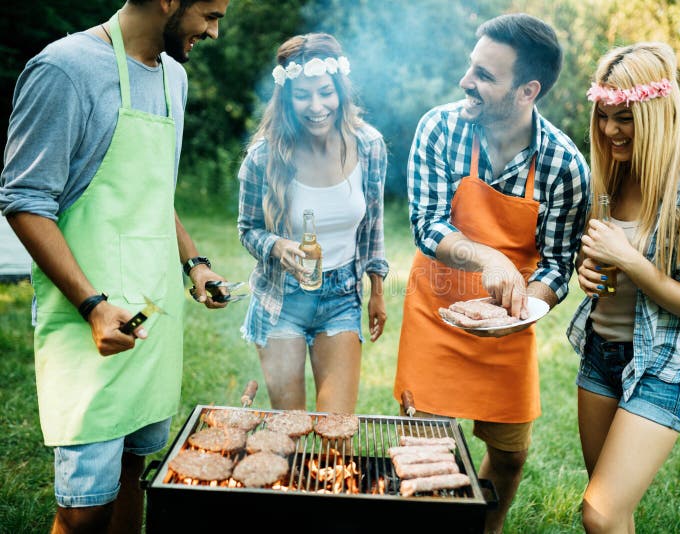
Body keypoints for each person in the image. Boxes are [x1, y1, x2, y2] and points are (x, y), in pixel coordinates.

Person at [0, 1, 231, 532]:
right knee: (83, 512)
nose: (214, 32)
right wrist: (94, 306)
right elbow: (25, 201)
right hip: (91, 327)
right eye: (210, 15)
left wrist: (195, 264)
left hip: (152, 321)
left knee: (134, 475)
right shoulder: (65, 69)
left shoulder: (175, 76)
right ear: (170, 1)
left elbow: (153, 192)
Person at [394, 13, 590, 533]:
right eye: (470, 67)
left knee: (511, 456)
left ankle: (487, 528)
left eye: (484, 74)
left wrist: (528, 307)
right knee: (429, 454)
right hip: (435, 313)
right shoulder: (439, 129)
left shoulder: (565, 166)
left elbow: (557, 263)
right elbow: (427, 226)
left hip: (509, 322)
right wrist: (489, 257)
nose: (467, 81)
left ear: (528, 90)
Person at [567, 42, 680, 533]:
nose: (609, 130)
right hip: (601, 355)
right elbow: (601, 259)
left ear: (657, 115)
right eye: (603, 116)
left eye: (624, 118)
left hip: (662, 366)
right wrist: (587, 270)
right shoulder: (611, 178)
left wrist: (629, 261)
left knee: (599, 512)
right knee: (612, 511)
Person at [238, 33, 389, 414]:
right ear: (286, 98)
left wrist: (377, 290)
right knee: (288, 430)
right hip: (281, 300)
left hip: (341, 298)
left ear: (340, 90)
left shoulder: (369, 145)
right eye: (302, 95)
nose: (316, 106)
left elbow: (372, 228)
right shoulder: (264, 156)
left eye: (325, 92)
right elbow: (248, 229)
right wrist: (276, 245)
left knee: (336, 430)